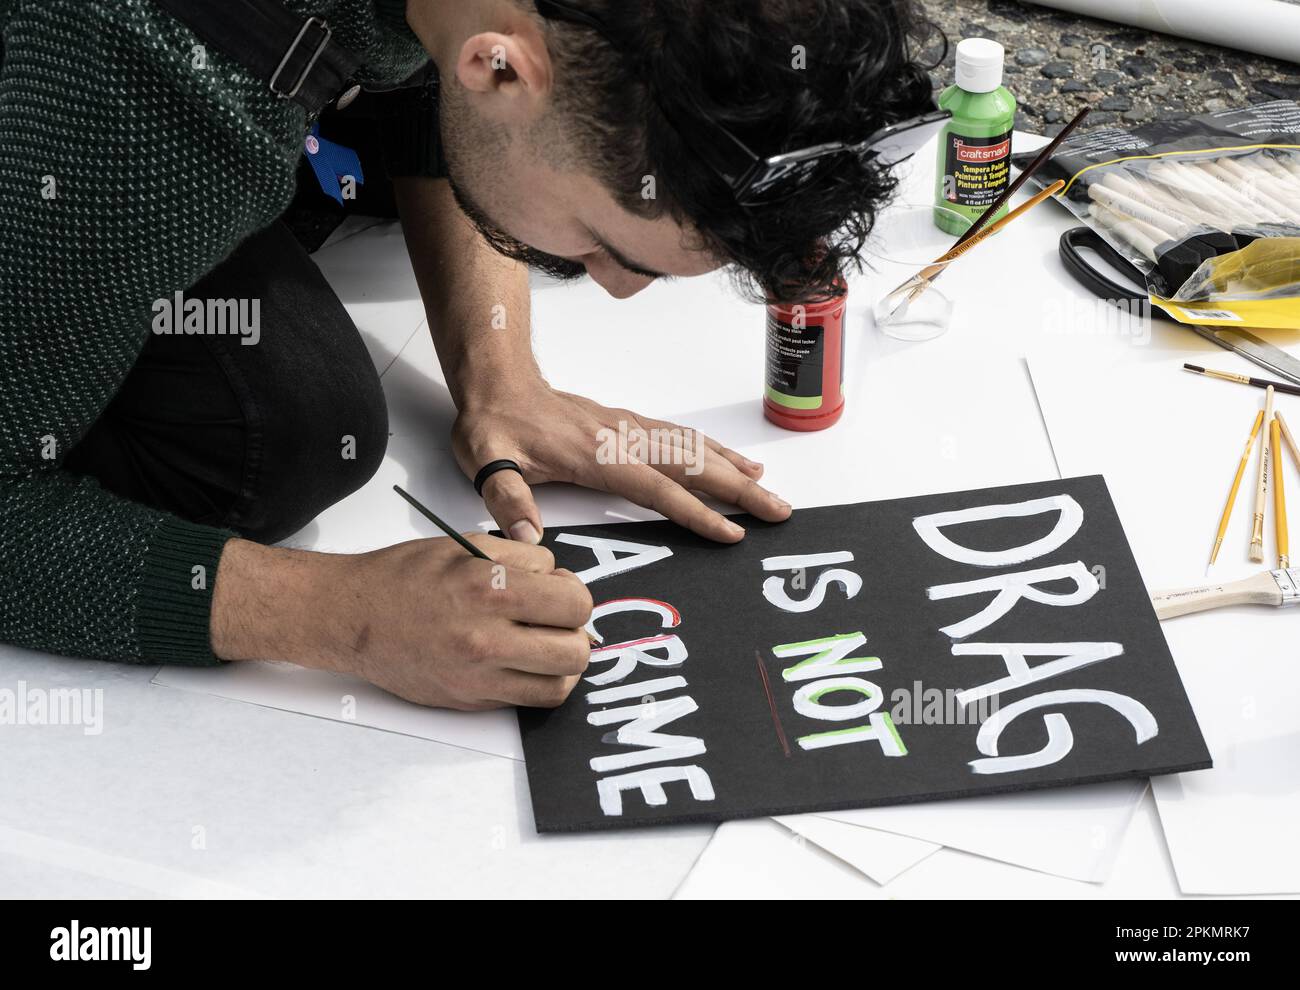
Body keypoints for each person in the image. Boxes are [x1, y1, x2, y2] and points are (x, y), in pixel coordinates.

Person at [0, 0, 940, 710]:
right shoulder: (157, 98)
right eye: (599, 245)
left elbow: (423, 72)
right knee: (275, 439)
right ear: (499, 70)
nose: (613, 289)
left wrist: (501, 373)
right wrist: (345, 617)